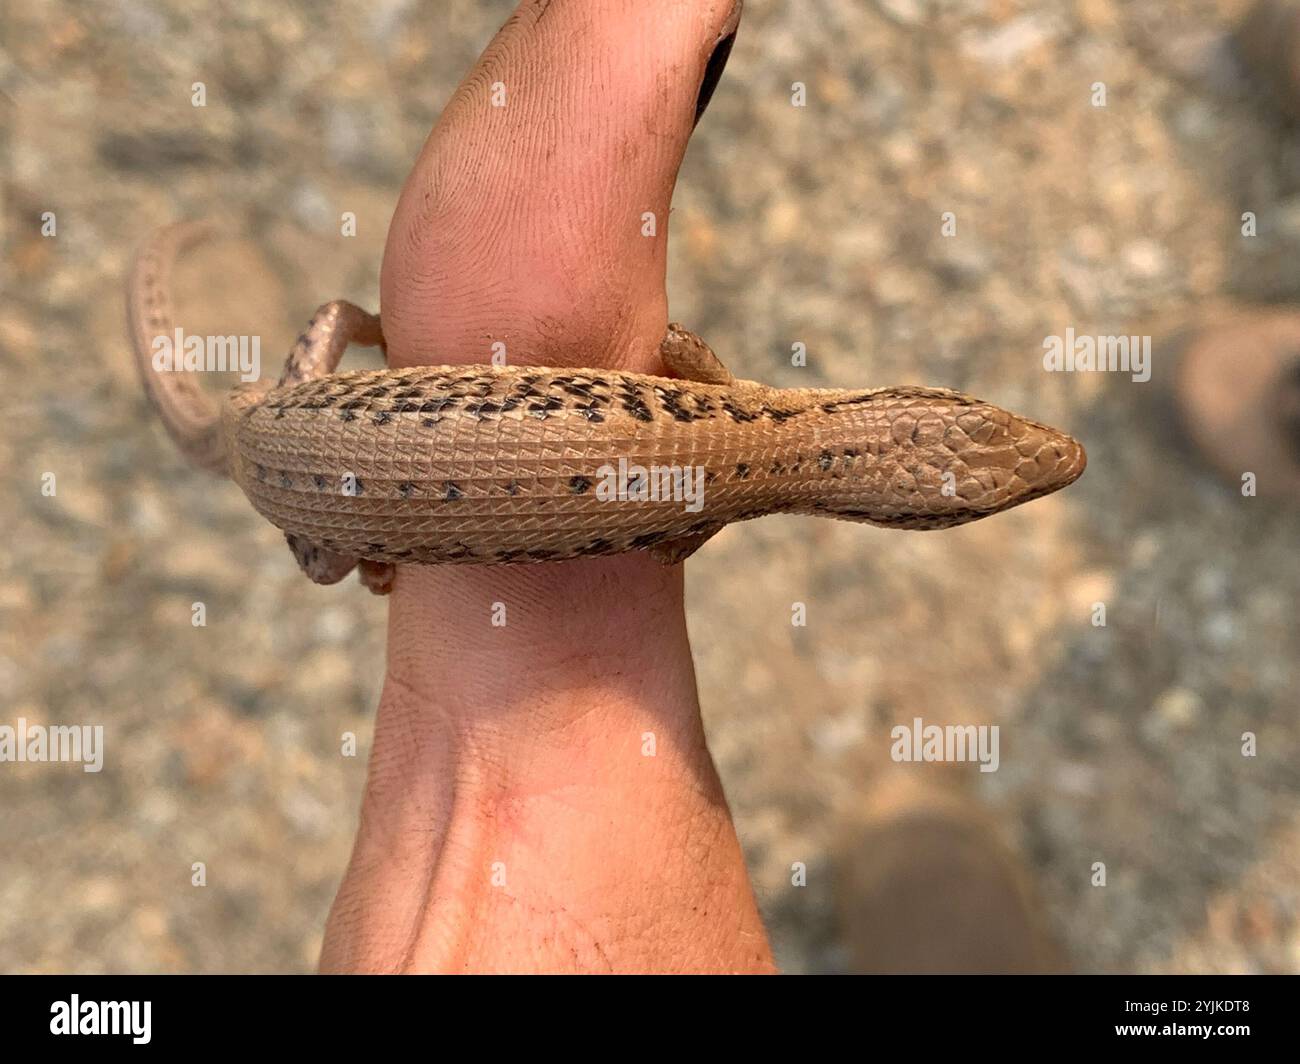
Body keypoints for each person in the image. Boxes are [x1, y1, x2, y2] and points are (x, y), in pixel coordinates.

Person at [316, 0, 773, 973]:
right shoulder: (693, 511)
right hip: (341, 483)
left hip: (336, 440)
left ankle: (330, 340)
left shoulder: (718, 420)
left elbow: (679, 349)